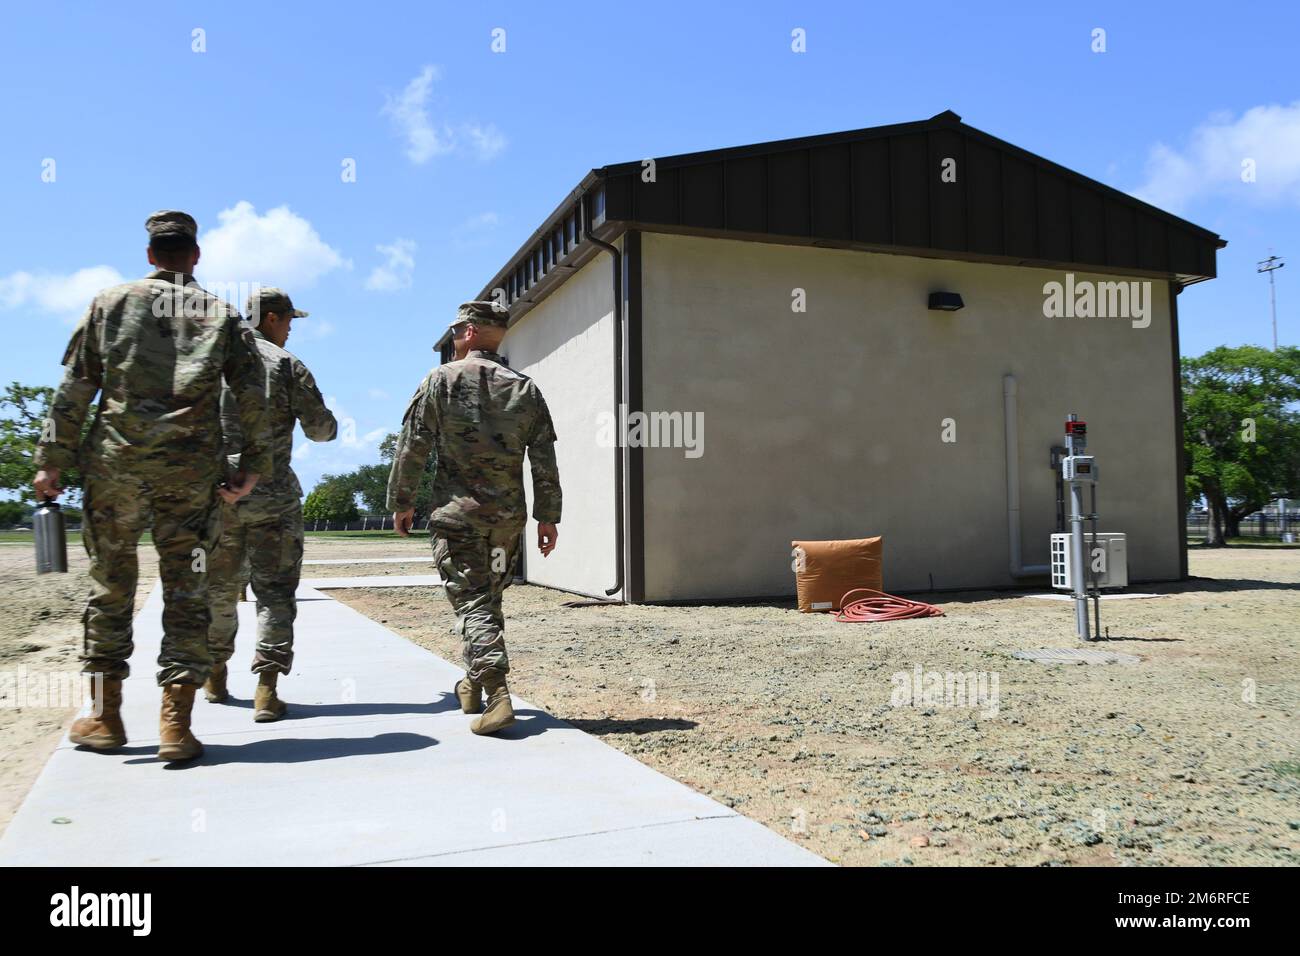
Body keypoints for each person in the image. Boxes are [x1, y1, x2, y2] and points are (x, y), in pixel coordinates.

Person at [32, 210, 271, 762]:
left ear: (150, 255)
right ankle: (175, 724)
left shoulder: (110, 303)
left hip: (117, 469)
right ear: (195, 255)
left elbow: (75, 387)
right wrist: (251, 465)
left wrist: (51, 461)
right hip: (190, 476)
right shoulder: (221, 313)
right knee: (186, 593)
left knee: (110, 587)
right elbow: (252, 393)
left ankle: (105, 715)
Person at [387, 301, 561, 735]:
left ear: (466, 332)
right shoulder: (524, 388)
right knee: (488, 600)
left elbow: (412, 447)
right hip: (506, 521)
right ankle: (471, 685)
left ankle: (499, 694)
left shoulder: (440, 381)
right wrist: (547, 516)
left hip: (457, 517)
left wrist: (402, 501)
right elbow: (543, 459)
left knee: (472, 602)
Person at [204, 288, 337, 721]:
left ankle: (215, 674)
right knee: (274, 593)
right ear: (274, 318)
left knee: (219, 590)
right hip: (273, 495)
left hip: (217, 495)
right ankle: (266, 690)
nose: (290, 331)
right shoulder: (285, 364)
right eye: (289, 322)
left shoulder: (212, 359)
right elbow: (320, 430)